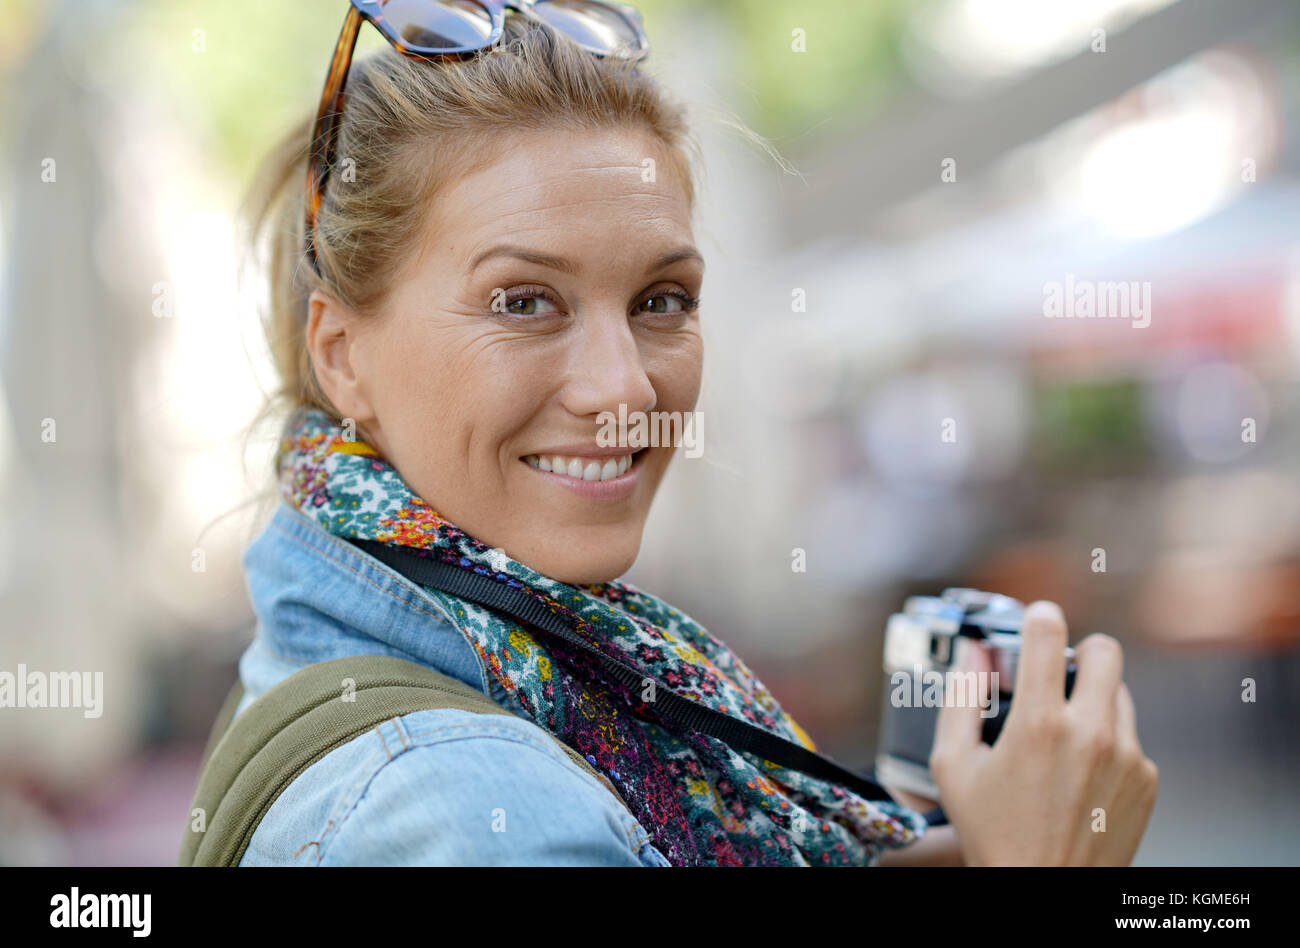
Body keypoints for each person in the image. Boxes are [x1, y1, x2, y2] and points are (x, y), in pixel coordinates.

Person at [226, 0, 1157, 866]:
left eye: (660, 299)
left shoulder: (351, 652)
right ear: (343, 355)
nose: (624, 384)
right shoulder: (480, 811)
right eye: (524, 301)